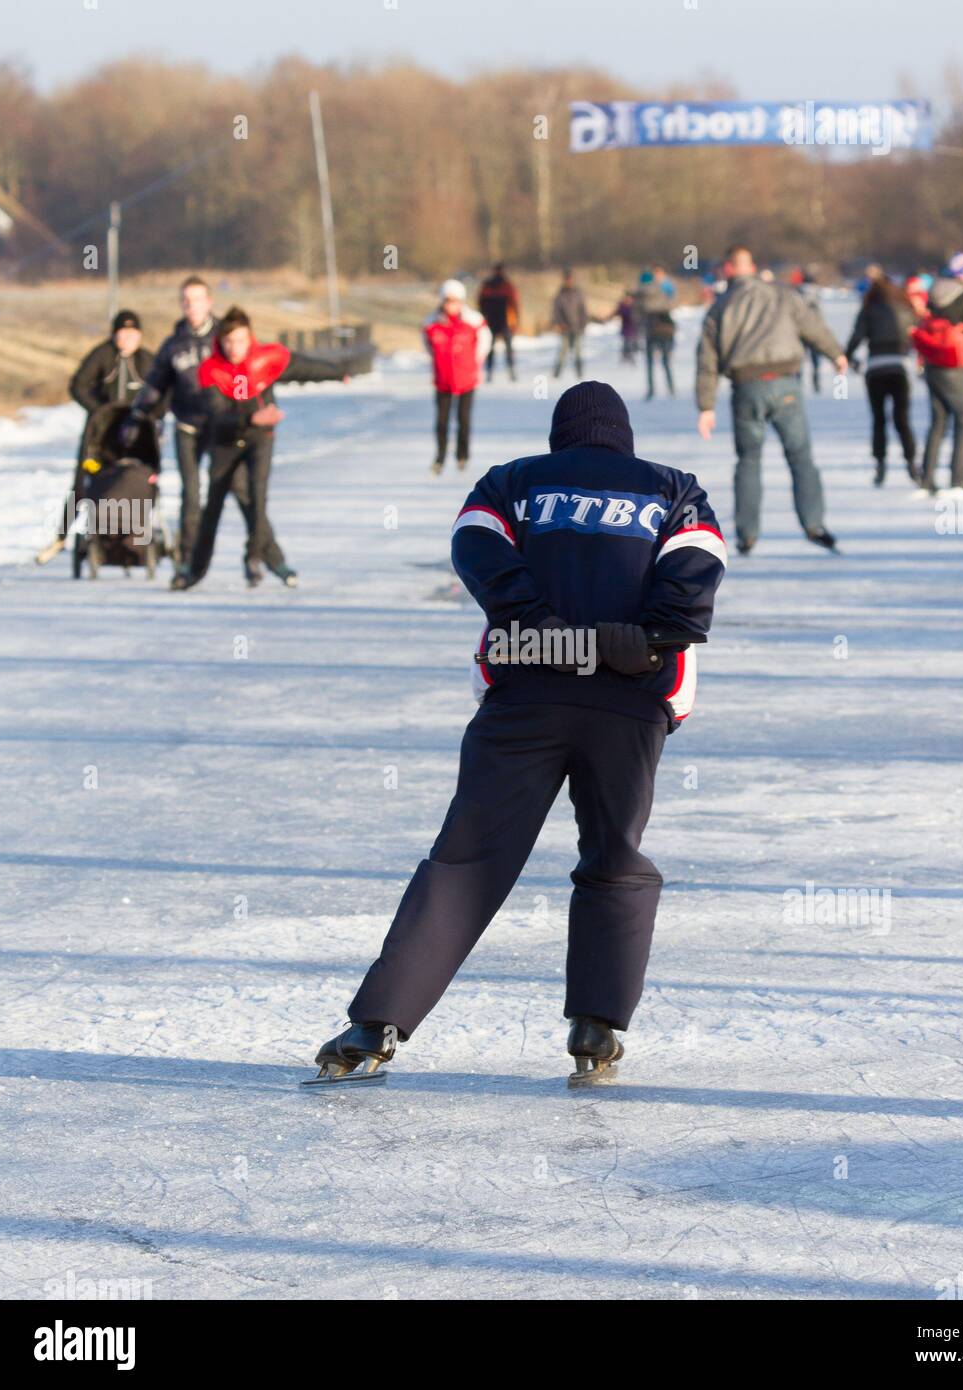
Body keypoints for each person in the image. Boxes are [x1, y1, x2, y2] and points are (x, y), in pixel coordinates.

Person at [309, 381, 726, 1086]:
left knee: (467, 860)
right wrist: (643, 636)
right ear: (622, 436)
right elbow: (693, 570)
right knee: (614, 857)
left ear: (560, 435)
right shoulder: (674, 488)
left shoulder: (510, 483)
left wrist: (538, 622)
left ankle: (373, 1025)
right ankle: (596, 1030)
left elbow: (475, 548)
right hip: (627, 701)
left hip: (524, 694)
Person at [180, 306, 347, 590]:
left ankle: (255, 558)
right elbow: (217, 416)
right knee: (214, 506)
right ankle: (195, 571)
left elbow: (303, 366)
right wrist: (251, 417)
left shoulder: (264, 358)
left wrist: (337, 372)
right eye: (229, 341)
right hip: (225, 441)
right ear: (220, 341)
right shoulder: (211, 370)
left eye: (241, 341)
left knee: (258, 497)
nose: (235, 348)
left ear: (251, 338)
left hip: (260, 438)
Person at [696, 244, 847, 554]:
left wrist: (706, 406)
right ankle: (814, 524)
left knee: (749, 460)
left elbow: (707, 360)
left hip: (746, 387)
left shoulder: (720, 307)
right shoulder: (782, 294)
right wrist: (836, 354)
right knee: (800, 456)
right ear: (751, 267)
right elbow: (812, 326)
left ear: (727, 269)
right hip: (784, 384)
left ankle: (747, 534)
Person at [124, 275, 262, 582]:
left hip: (223, 427)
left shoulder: (226, 337)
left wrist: (250, 414)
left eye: (197, 299)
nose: (191, 305)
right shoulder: (174, 344)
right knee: (191, 493)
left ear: (209, 302)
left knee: (241, 490)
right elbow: (156, 384)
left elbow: (248, 372)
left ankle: (255, 554)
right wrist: (138, 415)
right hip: (187, 425)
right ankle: (186, 561)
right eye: (186, 300)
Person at [36, 310, 168, 565]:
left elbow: (163, 393)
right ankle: (61, 536)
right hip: (100, 436)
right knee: (83, 481)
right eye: (122, 333)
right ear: (114, 334)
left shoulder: (148, 361)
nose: (127, 338)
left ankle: (134, 531)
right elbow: (78, 385)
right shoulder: (103, 355)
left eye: (132, 333)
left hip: (137, 437)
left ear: (139, 335)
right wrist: (100, 410)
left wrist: (150, 415)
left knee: (138, 479)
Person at [913, 252, 963, 493]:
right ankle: (959, 478)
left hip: (933, 364)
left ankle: (927, 477)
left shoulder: (934, 292)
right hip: (957, 365)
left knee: (938, 422)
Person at [845, 275, 918, 485]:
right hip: (899, 368)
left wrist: (850, 358)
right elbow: (916, 335)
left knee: (879, 420)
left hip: (875, 369)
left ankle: (880, 465)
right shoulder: (905, 307)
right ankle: (912, 464)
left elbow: (856, 337)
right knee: (902, 419)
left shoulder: (868, 310)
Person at [424, 279, 491, 475]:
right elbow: (428, 345)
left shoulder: (474, 321)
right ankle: (440, 457)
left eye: (454, 301)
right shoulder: (432, 323)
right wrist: (437, 362)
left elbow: (484, 343)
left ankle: (463, 455)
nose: (450, 305)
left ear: (461, 301)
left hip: (466, 379)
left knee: (463, 419)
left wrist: (473, 364)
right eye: (447, 301)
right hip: (443, 380)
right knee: (442, 422)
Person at [640, 264, 676, 399]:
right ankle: (656, 389)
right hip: (657, 330)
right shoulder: (653, 289)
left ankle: (667, 389)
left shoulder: (665, 287)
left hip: (661, 330)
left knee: (661, 361)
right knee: (656, 362)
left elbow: (670, 304)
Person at [478, 263, 519, 381]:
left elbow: (480, 304)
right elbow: (515, 304)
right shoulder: (507, 286)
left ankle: (491, 373)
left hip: (493, 321)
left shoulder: (487, 286)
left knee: (491, 348)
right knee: (506, 348)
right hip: (502, 321)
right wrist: (516, 321)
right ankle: (510, 372)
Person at [791, 268, 824, 394]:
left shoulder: (796, 292)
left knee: (800, 357)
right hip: (815, 328)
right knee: (816, 358)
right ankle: (816, 380)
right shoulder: (817, 292)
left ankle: (798, 381)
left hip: (800, 329)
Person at [551, 269, 589, 379]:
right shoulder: (560, 295)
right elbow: (556, 312)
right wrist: (560, 324)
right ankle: (557, 374)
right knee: (563, 352)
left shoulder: (578, 294)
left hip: (577, 327)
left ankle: (579, 373)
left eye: (570, 279)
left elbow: (583, 310)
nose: (568, 281)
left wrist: (583, 324)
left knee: (578, 351)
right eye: (566, 279)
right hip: (565, 328)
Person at [609, 289, 640, 362]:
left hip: (634, 328)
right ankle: (625, 357)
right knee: (626, 343)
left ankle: (631, 357)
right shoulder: (622, 306)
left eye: (629, 298)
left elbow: (639, 316)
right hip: (626, 328)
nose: (628, 299)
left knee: (632, 344)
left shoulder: (635, 306)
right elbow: (616, 313)